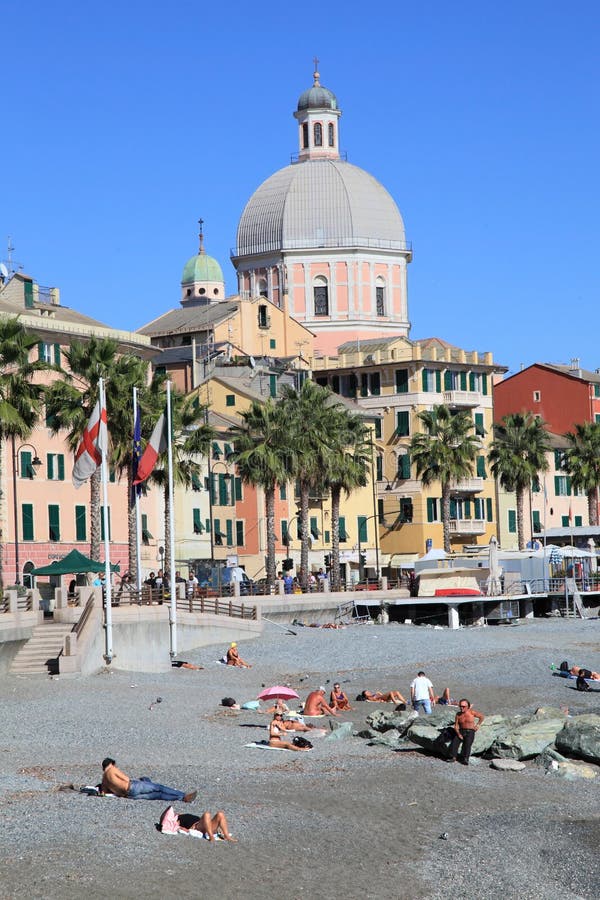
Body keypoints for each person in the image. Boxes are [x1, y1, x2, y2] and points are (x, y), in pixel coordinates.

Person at [100, 758, 197, 802]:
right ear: (110, 764)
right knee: (159, 788)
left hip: (128, 796)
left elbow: (104, 792)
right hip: (132, 787)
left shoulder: (104, 780)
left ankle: (181, 798)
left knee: (158, 795)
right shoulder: (112, 769)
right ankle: (184, 795)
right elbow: (126, 779)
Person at [159, 805, 237, 841]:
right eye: (174, 813)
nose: (176, 813)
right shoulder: (177, 819)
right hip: (197, 827)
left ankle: (227, 836)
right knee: (207, 814)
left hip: (206, 825)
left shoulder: (183, 814)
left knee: (220, 814)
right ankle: (211, 837)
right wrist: (185, 829)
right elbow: (176, 827)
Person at [448, 700, 485, 765]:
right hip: (461, 730)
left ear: (468, 707)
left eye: (463, 706)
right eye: (460, 706)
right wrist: (458, 734)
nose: (461, 708)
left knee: (467, 745)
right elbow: (456, 725)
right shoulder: (458, 715)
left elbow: (481, 717)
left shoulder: (471, 712)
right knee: (454, 743)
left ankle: (466, 759)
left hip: (470, 731)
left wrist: (478, 725)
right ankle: (453, 757)